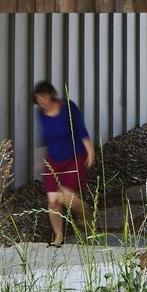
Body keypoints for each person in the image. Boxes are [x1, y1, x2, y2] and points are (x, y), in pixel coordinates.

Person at [33, 79, 96, 244]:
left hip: (74, 157)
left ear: (52, 94)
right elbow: (44, 138)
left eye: (44, 97)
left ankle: (85, 211)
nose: (42, 102)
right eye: (38, 99)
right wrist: (40, 159)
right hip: (53, 160)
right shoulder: (41, 113)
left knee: (65, 196)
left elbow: (81, 129)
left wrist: (90, 151)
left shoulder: (69, 107)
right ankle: (59, 236)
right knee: (53, 200)